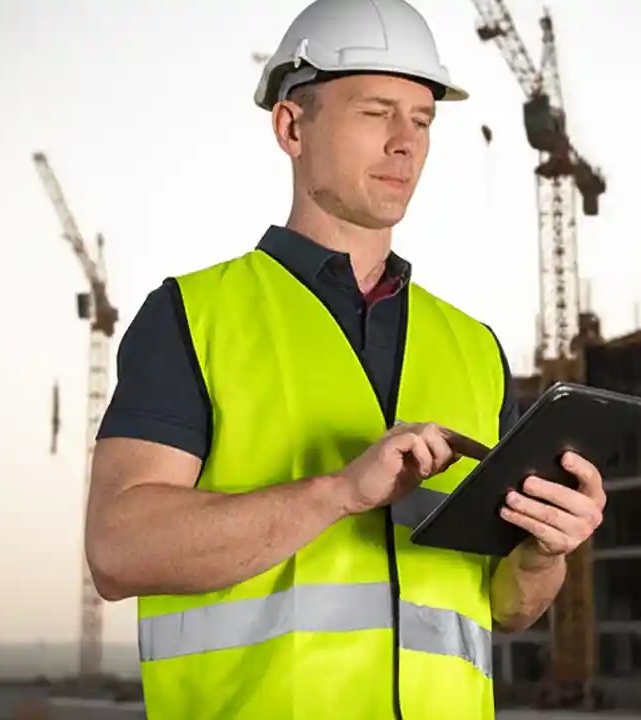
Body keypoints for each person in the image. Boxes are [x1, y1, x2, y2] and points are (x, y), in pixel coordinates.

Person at [83, 0, 608, 717]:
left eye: (422, 120)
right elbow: (119, 550)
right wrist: (339, 493)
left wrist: (545, 552)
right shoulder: (194, 318)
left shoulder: (473, 347)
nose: (406, 143)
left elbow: (502, 608)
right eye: (375, 113)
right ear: (292, 127)